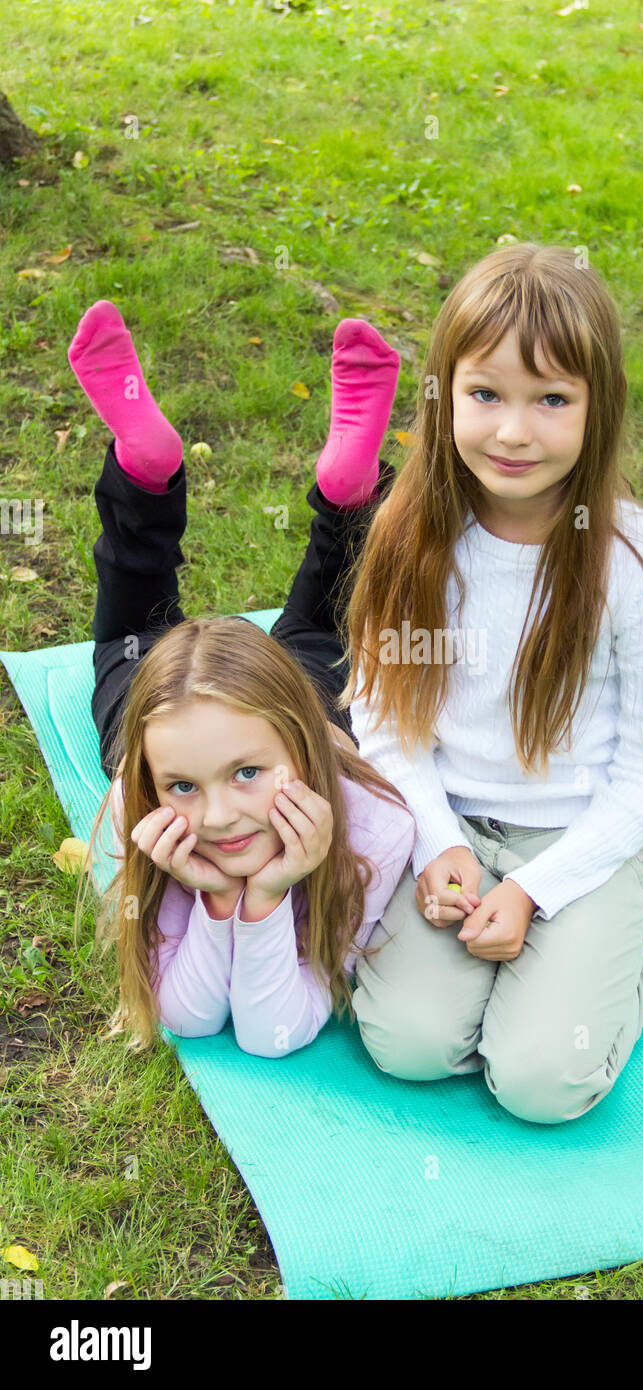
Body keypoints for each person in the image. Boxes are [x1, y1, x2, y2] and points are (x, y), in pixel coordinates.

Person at [337, 243, 643, 1125]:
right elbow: (386, 719)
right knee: (407, 1045)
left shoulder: (633, 561)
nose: (512, 432)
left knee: (541, 1084)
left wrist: (537, 891)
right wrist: (436, 845)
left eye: (552, 400)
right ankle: (527, 978)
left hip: (578, 838)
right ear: (445, 392)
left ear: (596, 407)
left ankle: (622, 974)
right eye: (486, 394)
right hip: (455, 829)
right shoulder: (413, 533)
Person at [69, 301, 416, 1058]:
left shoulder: (376, 831)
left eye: (249, 773)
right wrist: (226, 900)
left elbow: (275, 1034)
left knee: (128, 636)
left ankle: (145, 469)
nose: (220, 817)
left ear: (300, 741)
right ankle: (348, 492)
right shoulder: (143, 822)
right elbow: (187, 1016)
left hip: (183, 712)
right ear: (153, 783)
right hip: (184, 717)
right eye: (184, 786)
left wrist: (260, 901)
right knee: (317, 631)